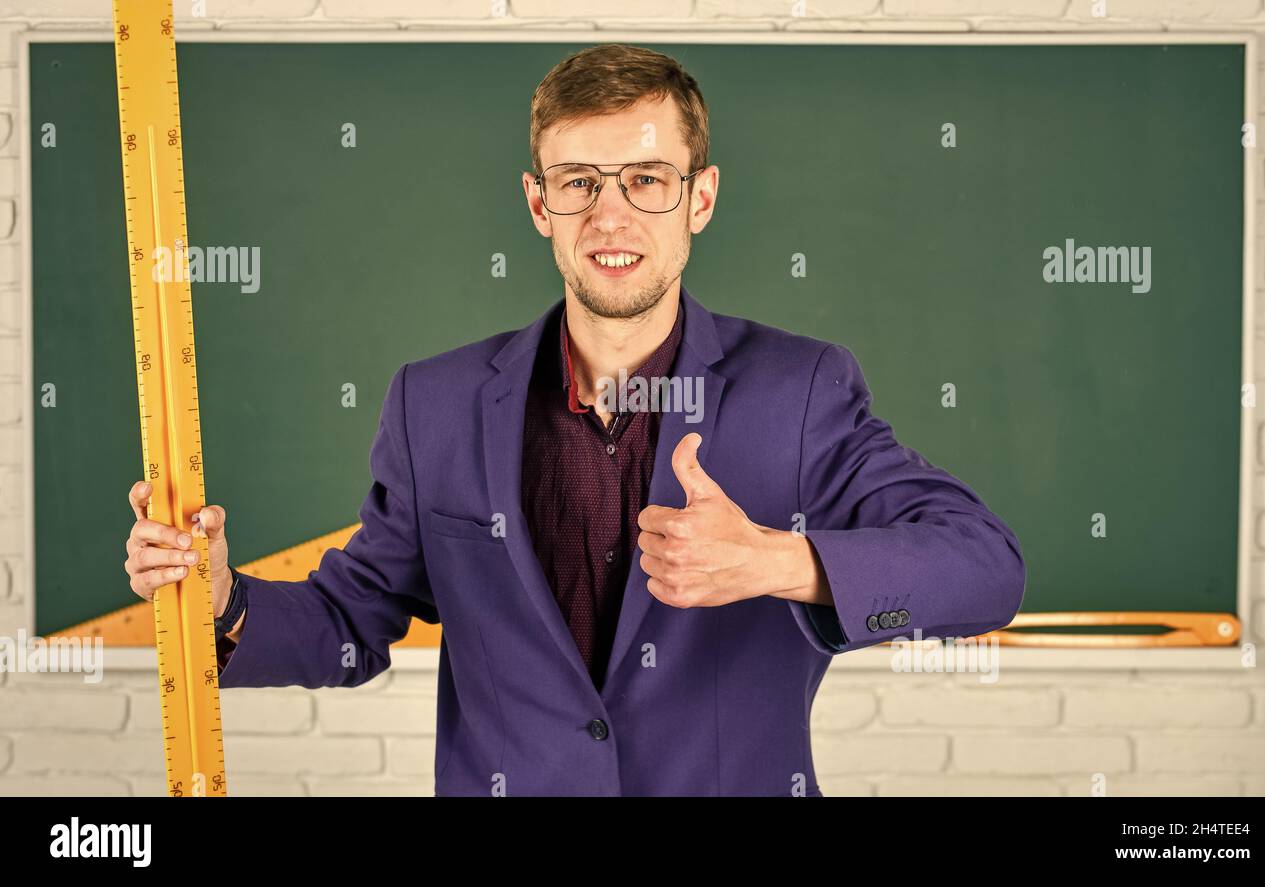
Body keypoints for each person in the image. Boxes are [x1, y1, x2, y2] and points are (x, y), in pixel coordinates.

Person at [123, 43, 1025, 796]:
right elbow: (353, 621)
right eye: (578, 181)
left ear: (699, 199)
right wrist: (222, 601)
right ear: (537, 203)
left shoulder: (801, 391)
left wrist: (775, 562)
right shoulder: (432, 402)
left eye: (647, 179)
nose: (611, 213)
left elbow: (986, 568)